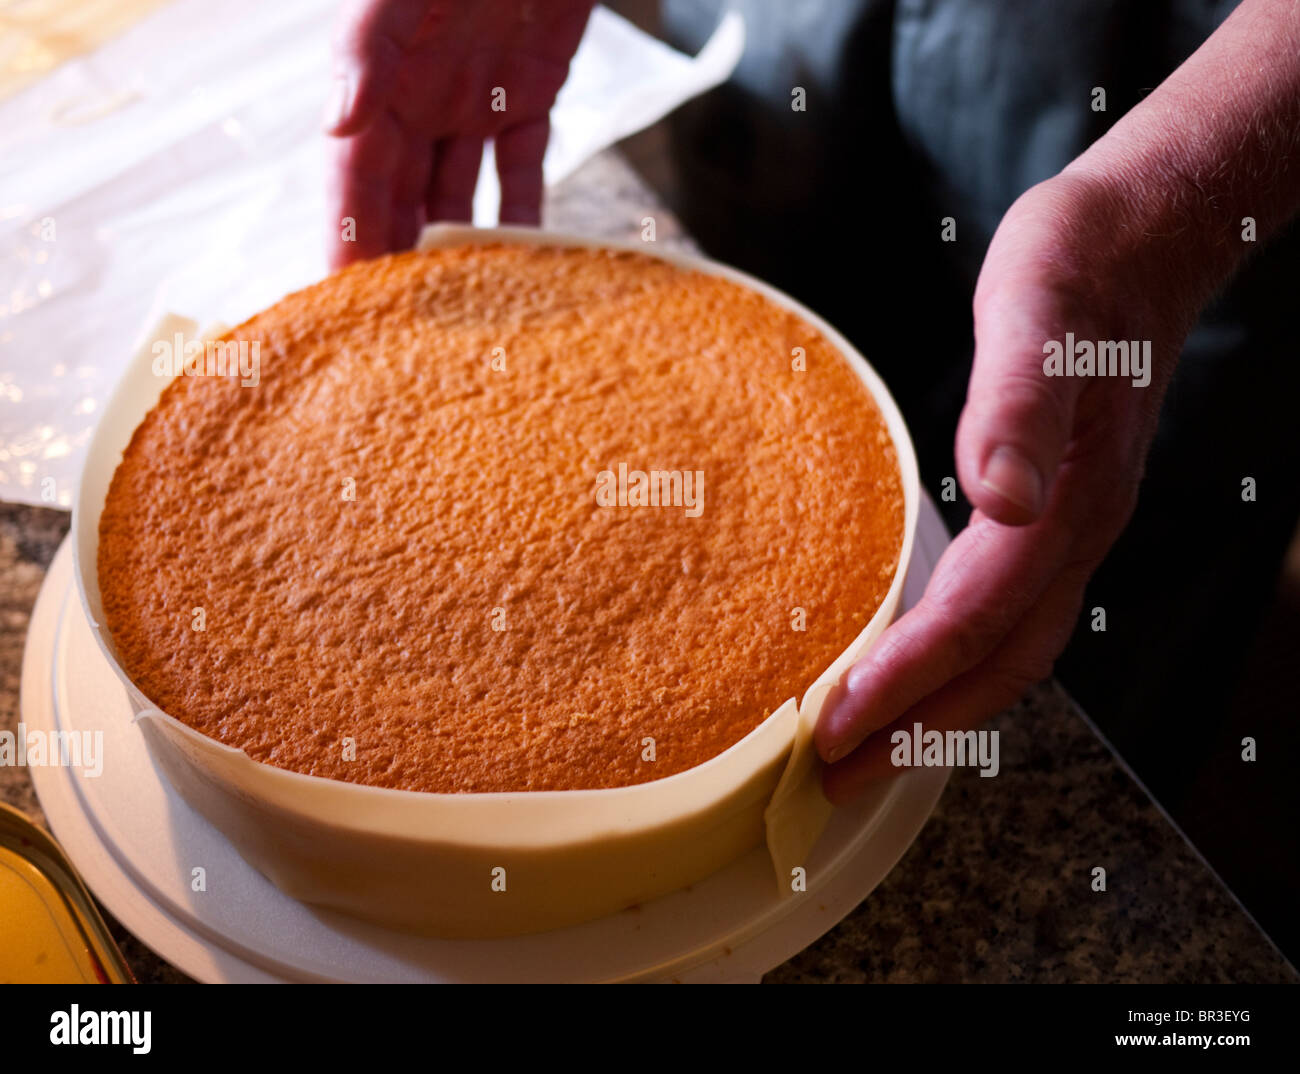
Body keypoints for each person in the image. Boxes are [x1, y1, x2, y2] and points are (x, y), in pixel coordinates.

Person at [322, 0, 1300, 806]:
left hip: (1205, 76)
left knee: (1059, 592)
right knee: (755, 420)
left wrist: (1180, 204)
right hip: (801, 31)